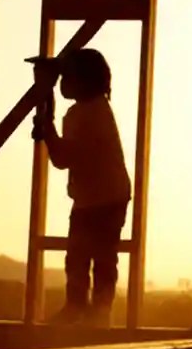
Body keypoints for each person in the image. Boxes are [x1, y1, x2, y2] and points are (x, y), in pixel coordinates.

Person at [32, 47, 131, 327]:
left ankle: (88, 313)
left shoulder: (85, 114)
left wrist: (47, 128)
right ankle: (90, 312)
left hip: (102, 197)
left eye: (68, 77)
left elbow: (63, 159)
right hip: (102, 196)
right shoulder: (91, 109)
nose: (63, 83)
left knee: (90, 256)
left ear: (84, 80)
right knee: (91, 256)